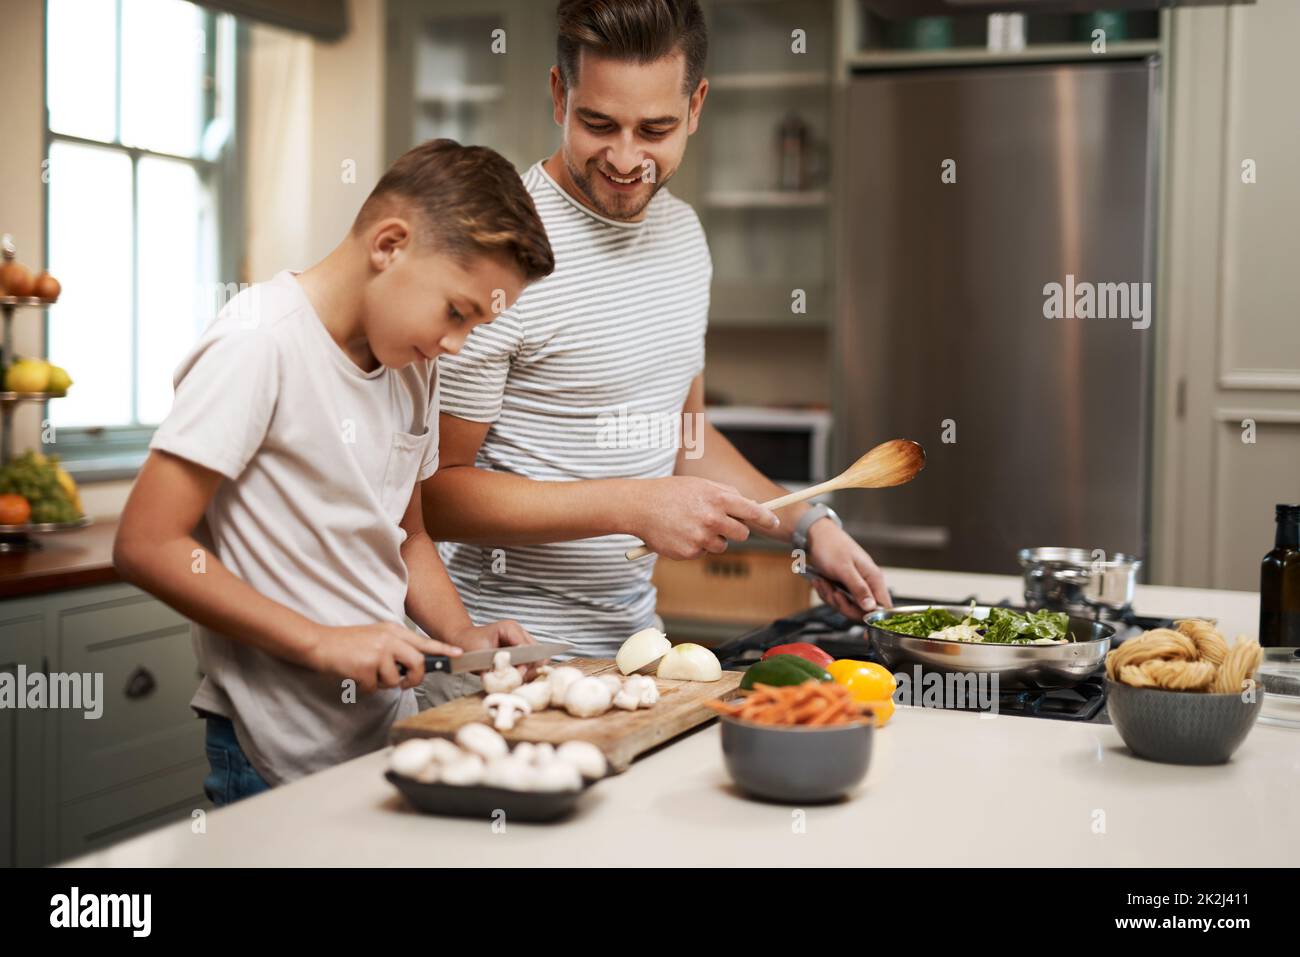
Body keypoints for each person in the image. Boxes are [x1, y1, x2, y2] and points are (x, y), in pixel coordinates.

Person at [422, 0, 891, 670]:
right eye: (598, 123)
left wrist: (809, 524)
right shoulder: (498, 251)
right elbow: (433, 494)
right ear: (560, 95)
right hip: (499, 657)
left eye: (655, 128)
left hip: (636, 653)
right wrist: (632, 504)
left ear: (696, 107)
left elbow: (685, 437)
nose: (624, 158)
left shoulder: (684, 238)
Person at [113, 139, 554, 804]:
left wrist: (461, 636)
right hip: (268, 751)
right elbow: (146, 544)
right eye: (458, 311)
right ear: (390, 244)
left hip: (383, 737)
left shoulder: (415, 363)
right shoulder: (260, 342)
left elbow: (409, 537)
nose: (457, 342)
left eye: (480, 323)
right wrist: (322, 643)